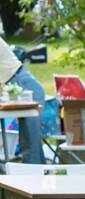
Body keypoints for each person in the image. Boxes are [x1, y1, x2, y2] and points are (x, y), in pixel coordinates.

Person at [0, 35, 46, 164]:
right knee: (30, 144)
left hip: (24, 86)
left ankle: (32, 181)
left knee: (30, 145)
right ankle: (39, 179)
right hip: (14, 85)